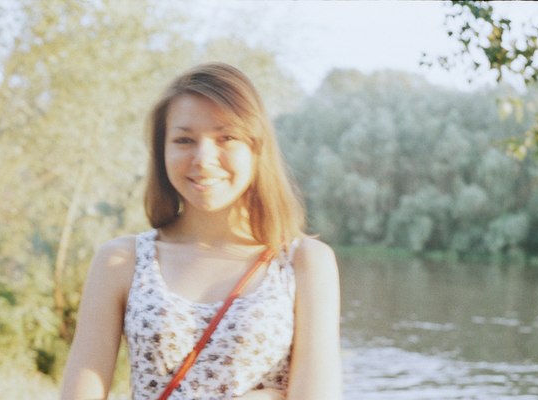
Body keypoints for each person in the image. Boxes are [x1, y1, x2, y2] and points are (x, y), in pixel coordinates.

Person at [60, 62, 342, 400]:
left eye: (227, 137)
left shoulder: (303, 263)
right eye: (184, 140)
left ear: (257, 148)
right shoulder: (121, 260)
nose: (204, 158)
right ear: (162, 152)